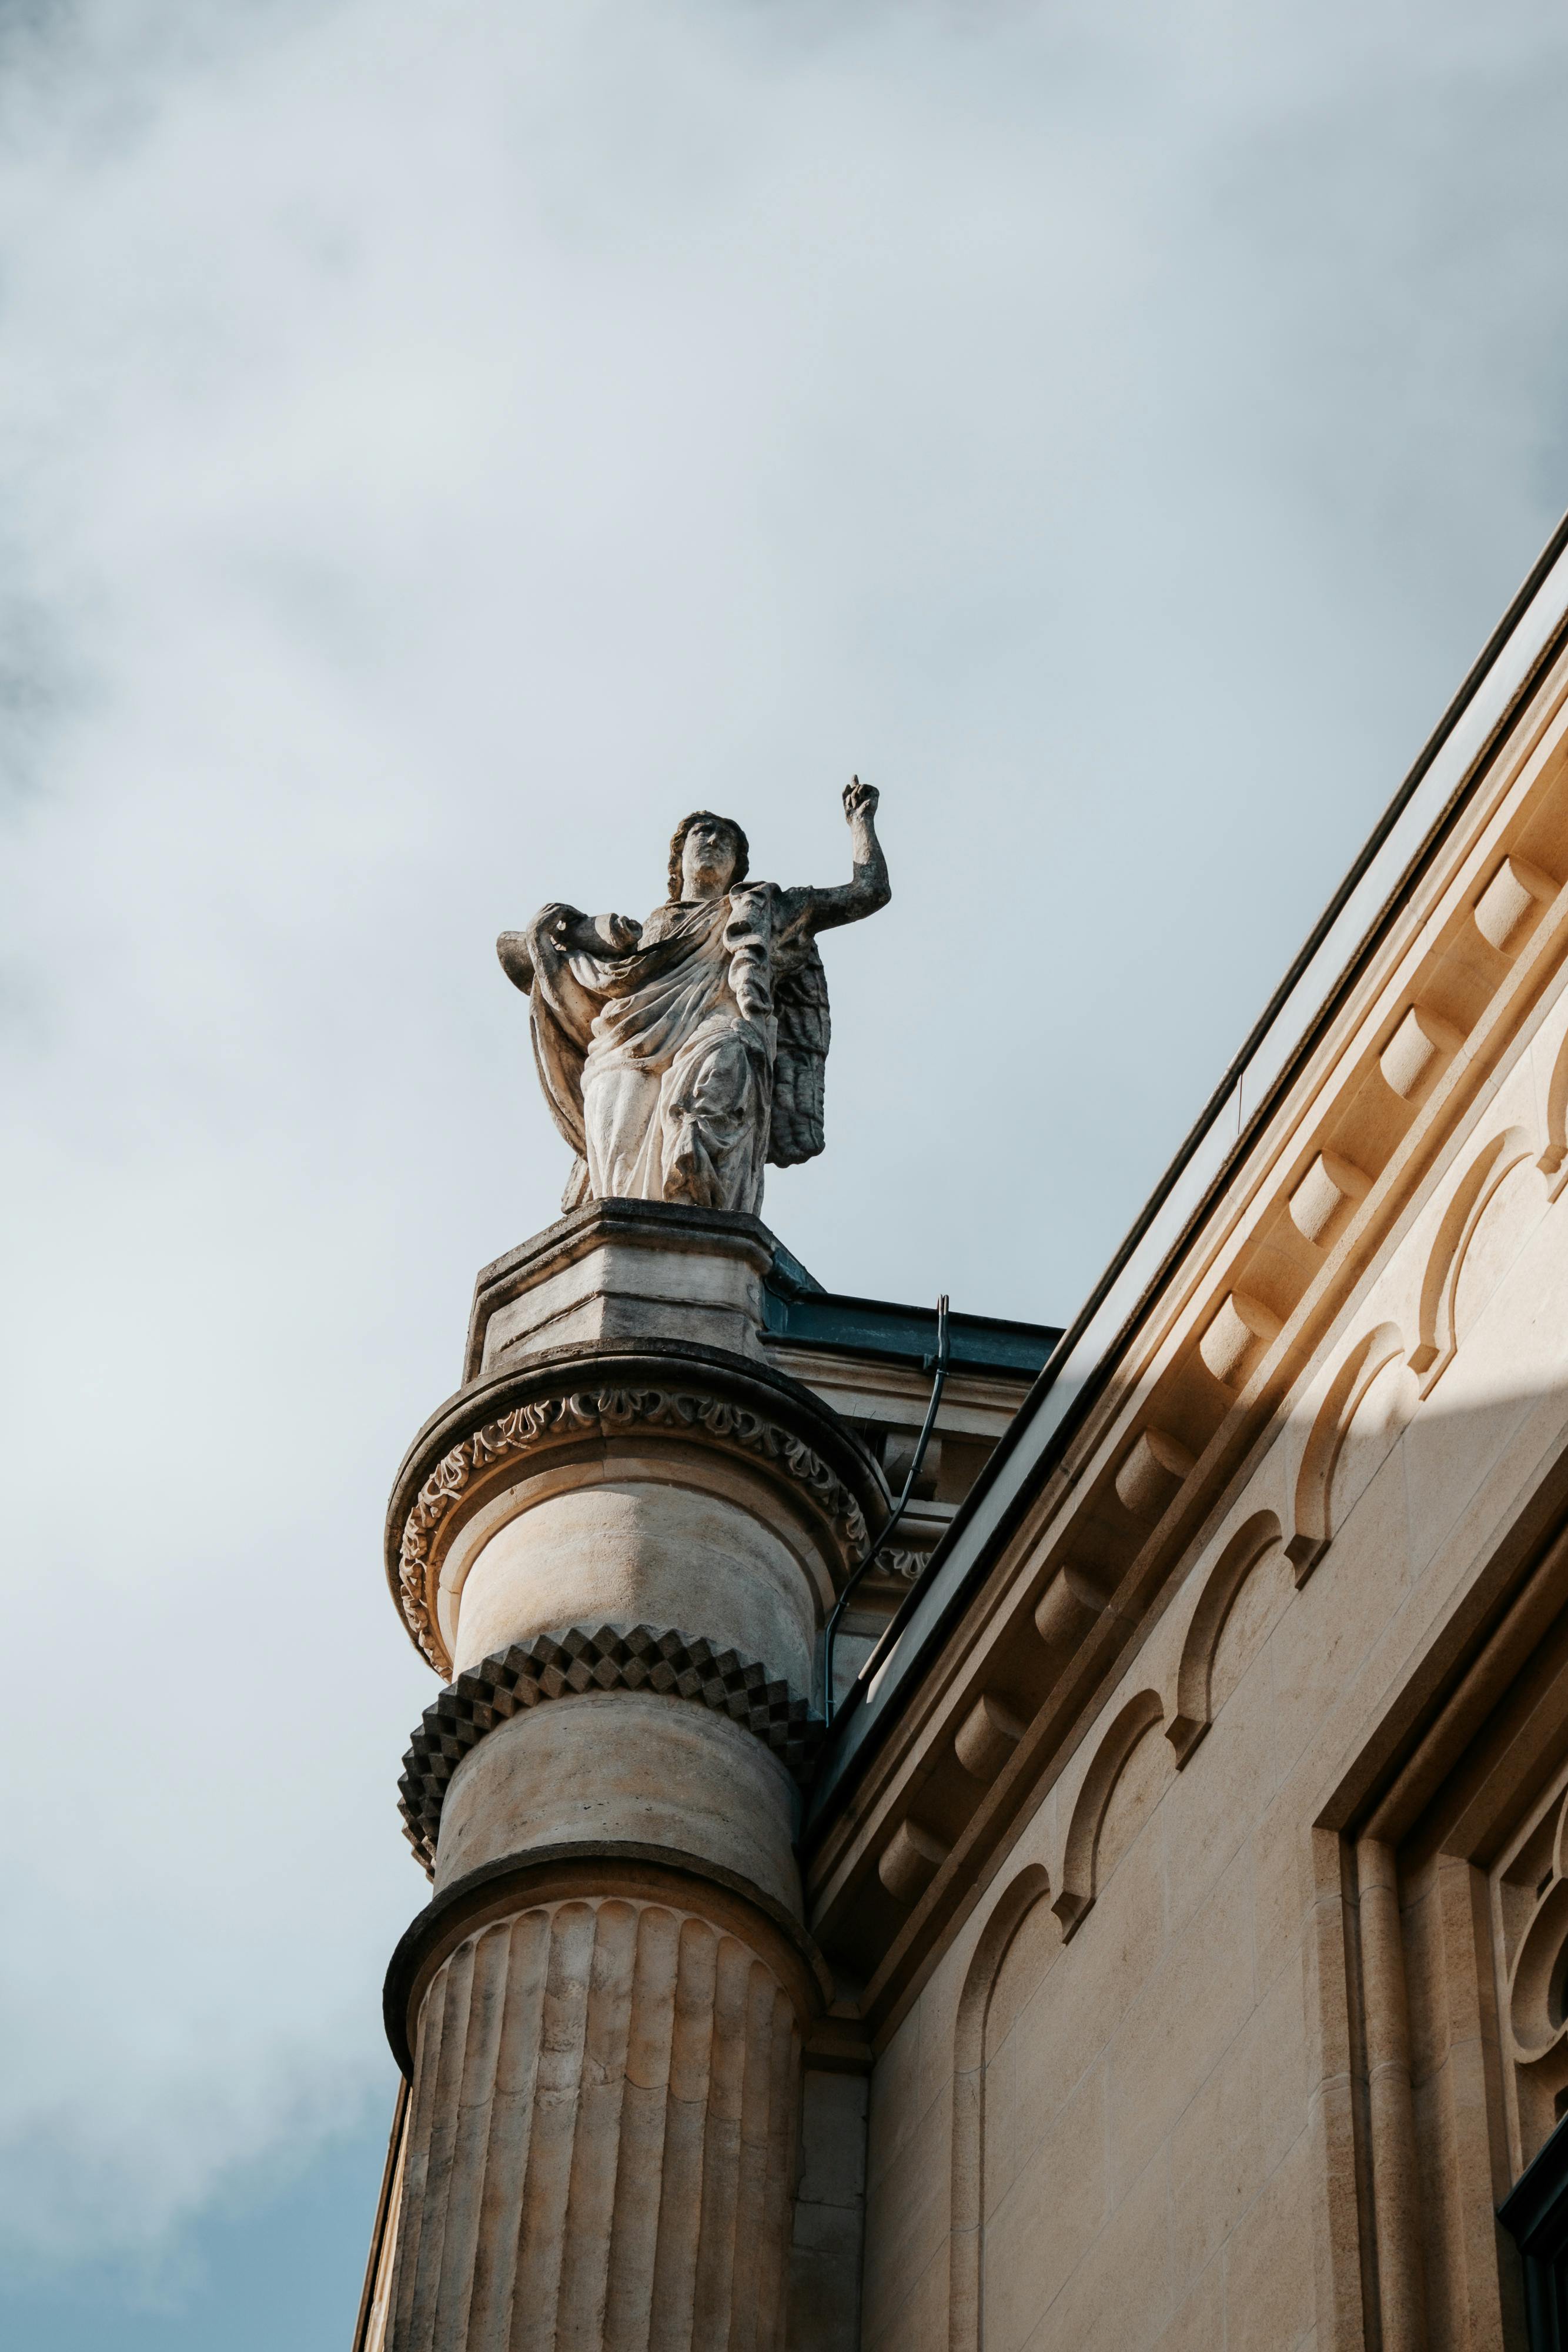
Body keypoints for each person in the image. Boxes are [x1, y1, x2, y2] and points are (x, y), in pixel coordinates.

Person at [499, 779, 890, 1214]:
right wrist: (544, 942)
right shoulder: (638, 935)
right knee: (622, 1173)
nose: (713, 841)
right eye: (702, 833)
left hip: (721, 1023)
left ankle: (702, 1223)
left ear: (737, 867)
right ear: (678, 860)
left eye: (726, 840)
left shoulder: (764, 907)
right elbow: (585, 984)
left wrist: (861, 823)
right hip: (626, 1043)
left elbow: (867, 893)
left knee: (724, 1062)